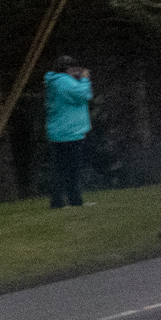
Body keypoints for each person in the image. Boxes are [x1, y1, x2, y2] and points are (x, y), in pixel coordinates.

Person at [43, 55, 93, 209]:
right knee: (68, 169)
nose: (78, 72)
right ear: (66, 70)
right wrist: (85, 80)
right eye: (74, 69)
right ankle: (61, 202)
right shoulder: (63, 81)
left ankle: (73, 201)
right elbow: (83, 94)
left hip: (64, 131)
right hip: (68, 132)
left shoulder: (57, 81)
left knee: (67, 169)